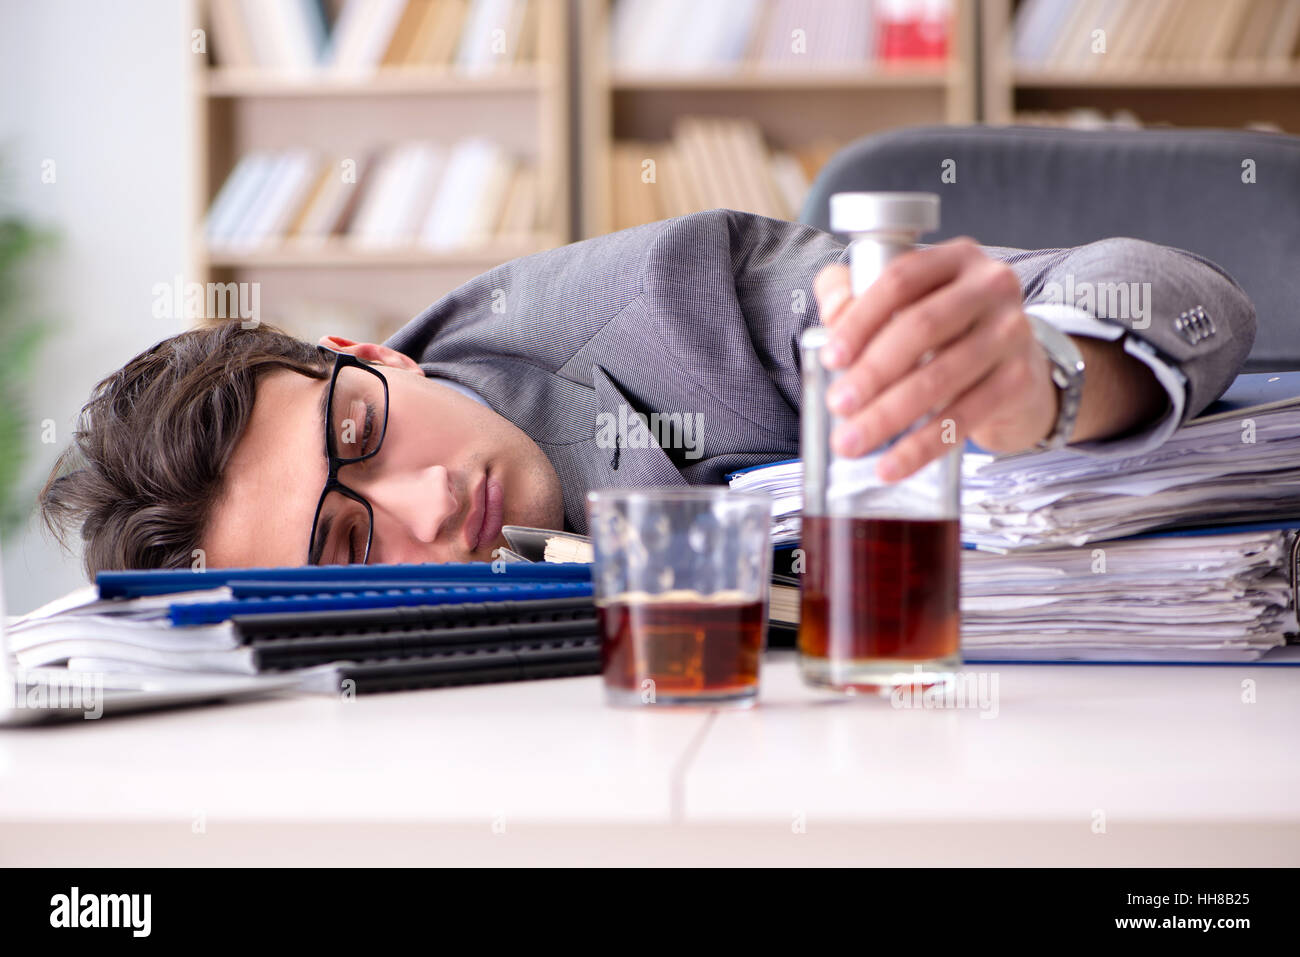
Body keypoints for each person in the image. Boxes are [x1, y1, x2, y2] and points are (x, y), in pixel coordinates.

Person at [39, 209, 1254, 573]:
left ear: (369, 356)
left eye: (360, 432)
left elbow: (1169, 283)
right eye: (351, 547)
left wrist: (1038, 374)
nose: (426, 497)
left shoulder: (671, 307)